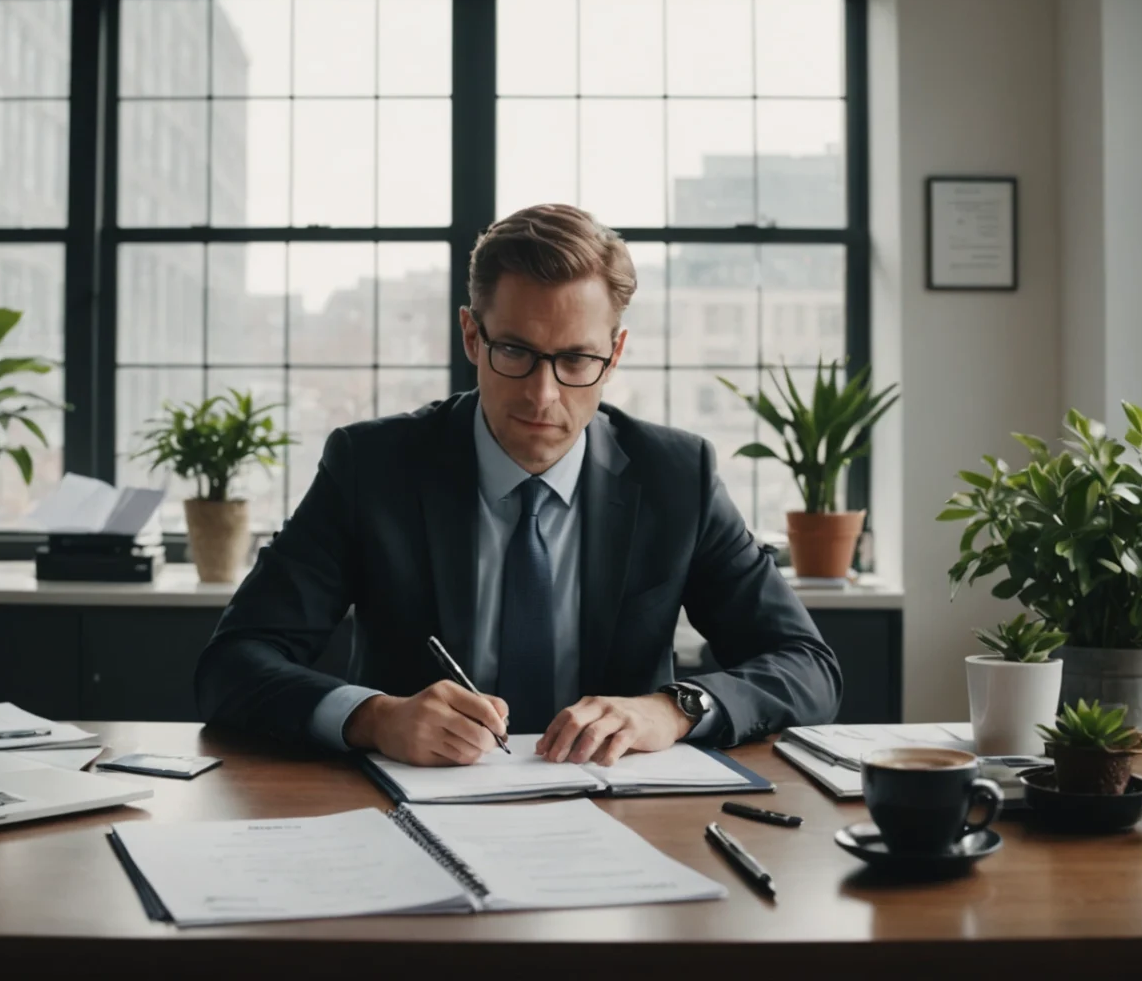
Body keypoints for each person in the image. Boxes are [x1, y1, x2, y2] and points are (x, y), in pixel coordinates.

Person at [196, 203, 842, 767]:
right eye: (515, 352)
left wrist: (674, 708)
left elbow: (806, 667)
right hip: (414, 810)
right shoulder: (372, 466)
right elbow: (234, 664)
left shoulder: (676, 476)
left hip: (622, 814)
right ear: (472, 336)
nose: (542, 394)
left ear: (614, 355)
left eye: (575, 360)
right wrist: (374, 717)